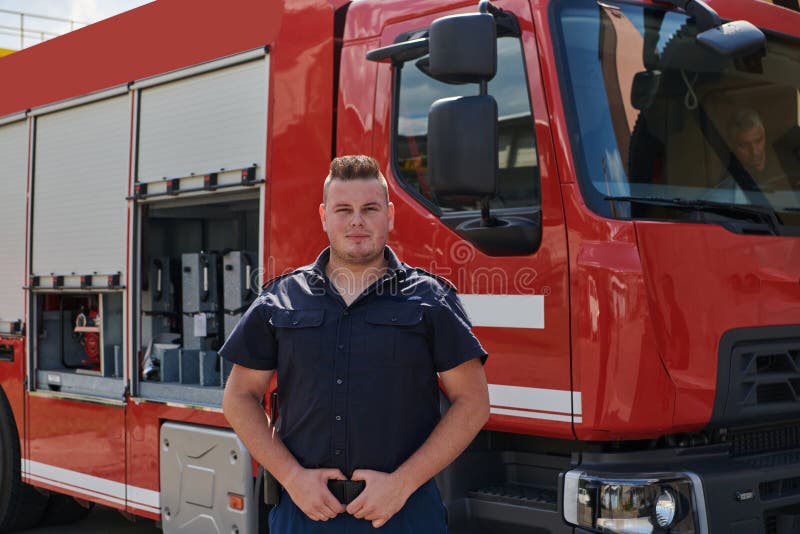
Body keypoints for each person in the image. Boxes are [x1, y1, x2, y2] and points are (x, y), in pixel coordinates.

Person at [220, 155, 490, 533]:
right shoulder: (279, 298)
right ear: (324, 216)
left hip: (403, 515)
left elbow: (473, 401)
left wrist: (402, 484)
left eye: (370, 209)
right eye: (343, 209)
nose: (357, 221)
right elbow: (239, 396)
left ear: (390, 215)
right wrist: (292, 477)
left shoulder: (431, 299)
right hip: (306, 514)